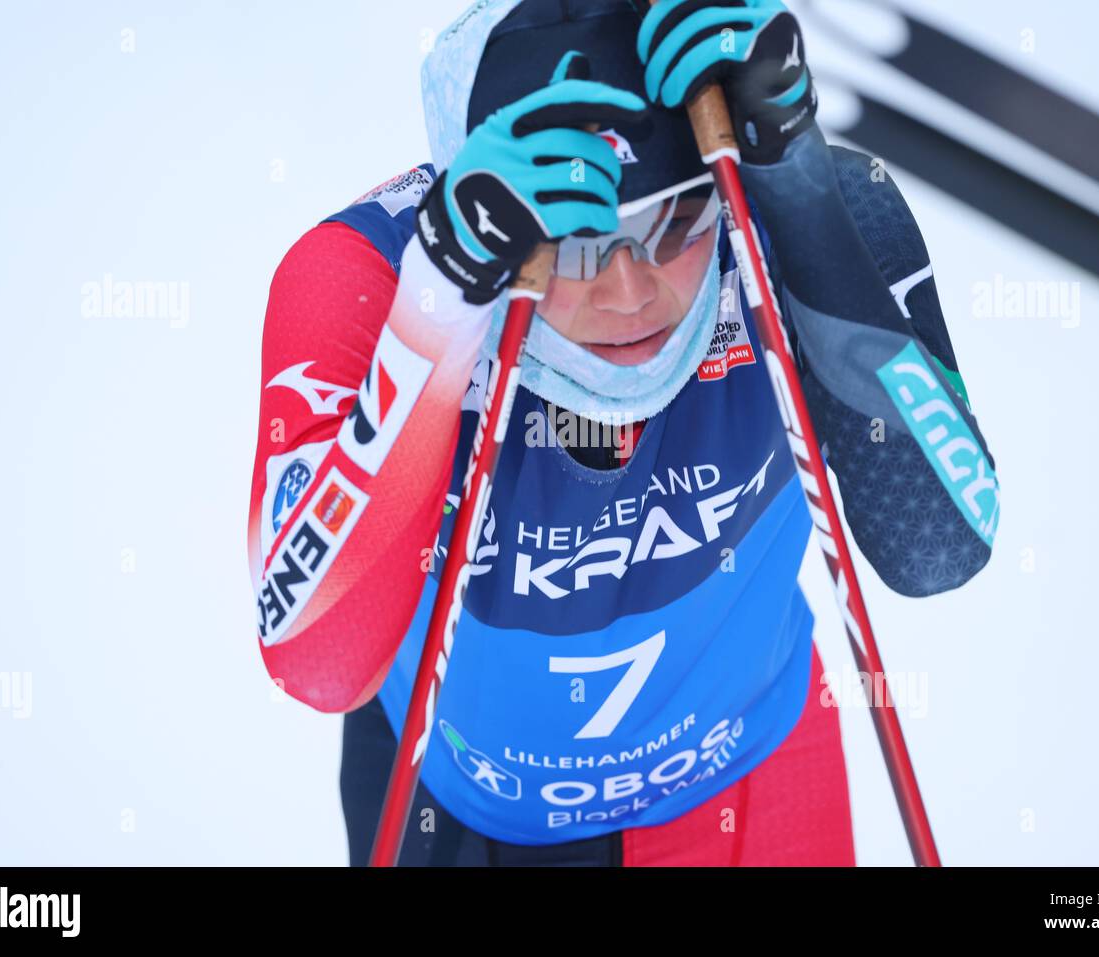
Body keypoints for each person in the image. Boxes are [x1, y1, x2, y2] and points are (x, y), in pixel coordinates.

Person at [247, 0, 999, 866]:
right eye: (573, 244)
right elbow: (318, 661)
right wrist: (438, 300)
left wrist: (796, 177)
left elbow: (941, 546)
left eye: (675, 221)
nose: (630, 293)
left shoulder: (791, 212)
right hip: (463, 808)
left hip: (746, 777)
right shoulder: (368, 275)